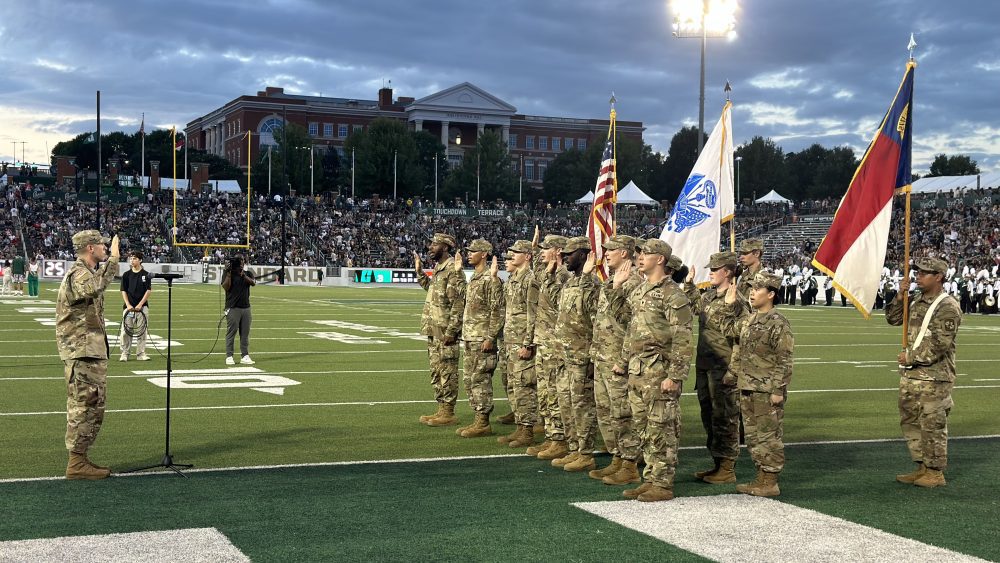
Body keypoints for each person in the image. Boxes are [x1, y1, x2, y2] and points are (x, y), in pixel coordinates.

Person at [613, 239, 693, 502]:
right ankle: (650, 478)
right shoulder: (640, 291)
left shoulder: (673, 294)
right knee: (643, 428)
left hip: (659, 372)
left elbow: (682, 337)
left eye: (646, 254)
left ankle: (663, 483)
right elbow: (631, 330)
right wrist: (623, 362)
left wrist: (675, 376)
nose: (640, 257)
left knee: (662, 428)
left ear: (660, 259)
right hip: (638, 371)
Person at [886, 257, 962, 488]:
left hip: (934, 376)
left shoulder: (947, 306)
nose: (917, 276)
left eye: (923, 273)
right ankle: (921, 466)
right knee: (911, 421)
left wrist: (910, 357)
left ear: (938, 277)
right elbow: (893, 319)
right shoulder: (917, 301)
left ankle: (935, 472)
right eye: (917, 272)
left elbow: (941, 343)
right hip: (912, 375)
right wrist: (900, 296)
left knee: (932, 424)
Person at [720, 271, 794, 497]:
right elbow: (728, 330)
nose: (752, 293)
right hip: (748, 386)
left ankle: (771, 481)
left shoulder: (777, 322)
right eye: (751, 288)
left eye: (757, 289)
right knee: (753, 437)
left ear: (771, 294)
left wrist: (778, 390)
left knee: (768, 436)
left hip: (766, 390)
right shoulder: (750, 319)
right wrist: (730, 307)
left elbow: (785, 358)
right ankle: (761, 478)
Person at [56, 229, 120, 479]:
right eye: (102, 245)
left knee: (92, 405)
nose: (106, 248)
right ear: (91, 248)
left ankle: (80, 459)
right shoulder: (79, 273)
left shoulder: (85, 271)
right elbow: (95, 287)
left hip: (88, 352)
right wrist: (114, 258)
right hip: (82, 352)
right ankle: (76, 463)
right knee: (83, 406)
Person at [685, 251, 747, 485]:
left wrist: (734, 371)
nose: (710, 272)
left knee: (726, 418)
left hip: (724, 367)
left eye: (715, 269)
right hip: (706, 366)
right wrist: (689, 285)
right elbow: (694, 308)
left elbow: (742, 337)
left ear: (728, 272)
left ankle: (727, 467)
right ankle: (717, 464)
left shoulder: (738, 301)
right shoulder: (710, 297)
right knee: (709, 416)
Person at [589, 235, 643, 484]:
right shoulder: (612, 280)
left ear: (625, 253)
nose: (606, 252)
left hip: (619, 360)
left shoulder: (633, 283)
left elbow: (632, 323)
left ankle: (630, 464)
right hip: (603, 357)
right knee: (607, 412)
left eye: (611, 249)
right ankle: (617, 458)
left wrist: (619, 288)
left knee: (622, 414)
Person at [551, 236, 600, 473]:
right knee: (567, 403)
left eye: (569, 254)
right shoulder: (570, 282)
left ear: (583, 255)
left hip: (582, 356)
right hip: (565, 354)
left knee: (582, 405)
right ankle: (573, 448)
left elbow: (595, 321)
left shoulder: (591, 284)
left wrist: (592, 357)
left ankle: (586, 452)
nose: (564, 258)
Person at [415, 233, 466, 427]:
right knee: (437, 371)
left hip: (445, 332)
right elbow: (432, 290)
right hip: (434, 329)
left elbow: (458, 303)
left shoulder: (453, 269)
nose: (430, 247)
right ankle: (440, 408)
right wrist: (420, 272)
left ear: (445, 247)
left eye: (434, 245)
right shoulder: (439, 268)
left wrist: (452, 331)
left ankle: (448, 411)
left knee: (447, 371)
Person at [454, 239, 504, 438]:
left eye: (473, 251)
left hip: (482, 339)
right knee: (470, 380)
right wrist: (458, 273)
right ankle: (478, 418)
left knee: (480, 380)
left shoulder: (490, 279)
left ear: (484, 254)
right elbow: (460, 298)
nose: (468, 254)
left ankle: (483, 422)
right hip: (470, 337)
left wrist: (490, 337)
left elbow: (497, 309)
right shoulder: (474, 278)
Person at [532, 233, 572, 461]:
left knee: (555, 393)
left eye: (546, 248)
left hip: (555, 344)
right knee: (546, 392)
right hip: (544, 341)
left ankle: (559, 438)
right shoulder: (547, 273)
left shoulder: (564, 276)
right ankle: (551, 435)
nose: (541, 252)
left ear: (557, 251)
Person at [497, 239, 538, 448]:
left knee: (524, 386)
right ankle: (520, 427)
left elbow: (533, 314)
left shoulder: (530, 279)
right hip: (511, 340)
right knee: (514, 385)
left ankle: (528, 430)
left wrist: (528, 344)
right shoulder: (514, 279)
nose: (511, 255)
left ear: (528, 256)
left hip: (522, 341)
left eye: (516, 252)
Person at [222, 253, 256, 365]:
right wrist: (228, 273)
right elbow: (226, 287)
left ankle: (245, 355)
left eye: (242, 260)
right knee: (231, 332)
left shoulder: (247, 273)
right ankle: (229, 356)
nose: (240, 262)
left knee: (245, 333)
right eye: (238, 260)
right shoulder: (228, 273)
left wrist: (243, 275)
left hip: (246, 307)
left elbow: (253, 283)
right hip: (233, 307)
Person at [119, 250, 152, 361]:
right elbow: (123, 290)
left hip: (142, 308)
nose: (132, 260)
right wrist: (128, 304)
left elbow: (148, 291)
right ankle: (125, 353)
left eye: (134, 258)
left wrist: (140, 304)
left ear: (140, 260)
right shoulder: (126, 275)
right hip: (128, 308)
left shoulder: (146, 275)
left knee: (142, 331)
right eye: (131, 258)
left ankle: (141, 353)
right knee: (125, 331)